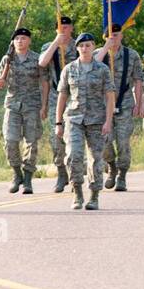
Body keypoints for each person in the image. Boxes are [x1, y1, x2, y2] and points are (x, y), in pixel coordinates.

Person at [55, 33, 115, 210]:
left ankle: (94, 195)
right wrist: (58, 122)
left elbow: (110, 96)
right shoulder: (69, 69)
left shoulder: (102, 69)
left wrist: (108, 121)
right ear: (77, 48)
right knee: (73, 155)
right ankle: (77, 192)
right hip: (74, 118)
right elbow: (62, 95)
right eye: (82, 46)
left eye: (88, 45)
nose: (85, 48)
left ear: (93, 46)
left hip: (96, 120)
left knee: (96, 159)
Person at [93, 24, 144, 190]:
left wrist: (139, 103)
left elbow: (138, 80)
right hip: (102, 106)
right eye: (109, 35)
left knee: (123, 142)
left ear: (121, 35)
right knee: (105, 142)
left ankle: (122, 175)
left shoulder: (132, 55)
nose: (113, 37)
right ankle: (111, 166)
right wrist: (106, 48)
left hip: (125, 103)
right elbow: (91, 68)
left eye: (116, 34)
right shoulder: (97, 55)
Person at [0, 26, 42, 194]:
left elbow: (44, 82)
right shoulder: (7, 59)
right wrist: (3, 72)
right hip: (13, 105)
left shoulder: (37, 59)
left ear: (29, 41)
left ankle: (28, 178)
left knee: (31, 142)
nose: (20, 41)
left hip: (32, 105)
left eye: (23, 38)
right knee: (10, 141)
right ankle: (16, 173)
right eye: (17, 39)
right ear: (13, 42)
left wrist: (43, 106)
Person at [38, 15, 77, 192]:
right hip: (55, 96)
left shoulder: (79, 46)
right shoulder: (49, 47)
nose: (64, 29)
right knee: (56, 137)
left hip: (77, 98)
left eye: (67, 26)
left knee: (75, 138)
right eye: (60, 27)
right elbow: (42, 63)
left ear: (72, 28)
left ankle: (75, 173)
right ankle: (61, 172)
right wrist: (56, 43)